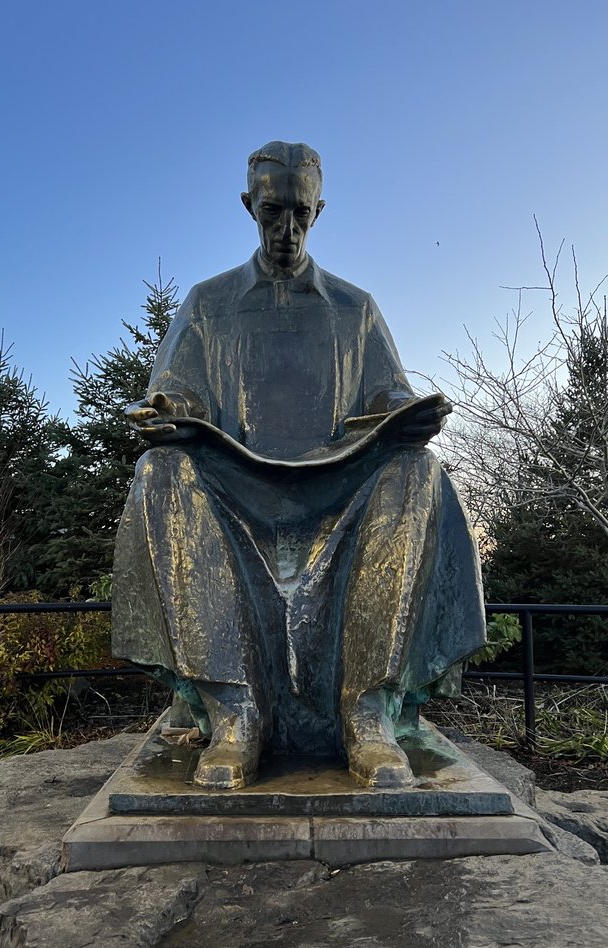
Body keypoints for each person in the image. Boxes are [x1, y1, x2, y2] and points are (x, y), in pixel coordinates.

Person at [113, 141, 485, 791]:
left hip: (338, 493)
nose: (286, 231)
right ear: (247, 206)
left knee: (418, 475)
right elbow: (178, 393)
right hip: (236, 491)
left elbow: (386, 397)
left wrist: (407, 414)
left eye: (301, 215)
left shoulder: (355, 308)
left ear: (320, 211)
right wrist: (172, 411)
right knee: (161, 474)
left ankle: (367, 712)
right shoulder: (207, 304)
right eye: (271, 212)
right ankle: (236, 712)